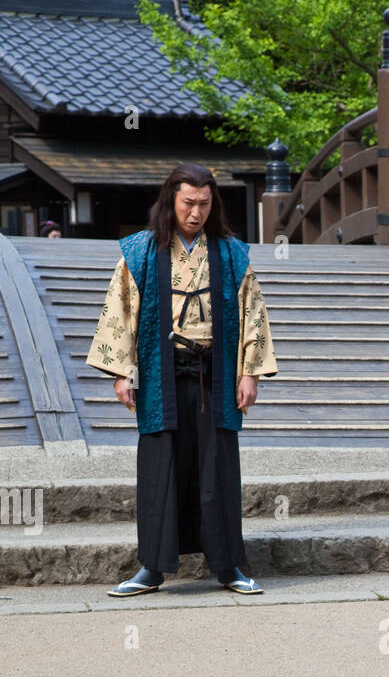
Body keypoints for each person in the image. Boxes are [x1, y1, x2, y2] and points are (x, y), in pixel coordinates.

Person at [86, 164, 278, 597]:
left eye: (204, 204)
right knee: (160, 467)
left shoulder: (231, 253)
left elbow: (254, 314)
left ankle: (228, 566)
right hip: (161, 372)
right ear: (171, 199)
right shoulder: (139, 252)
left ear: (214, 203)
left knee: (219, 467)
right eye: (188, 202)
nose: (195, 212)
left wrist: (250, 373)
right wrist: (121, 372)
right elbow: (120, 313)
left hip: (216, 372)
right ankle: (152, 568)